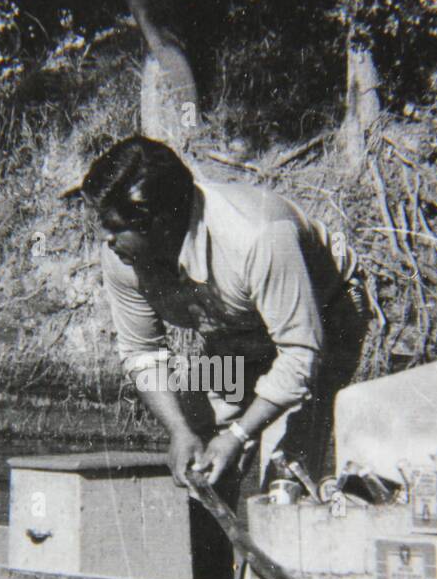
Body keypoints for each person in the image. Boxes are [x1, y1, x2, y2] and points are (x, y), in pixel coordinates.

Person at [77, 135, 373, 493]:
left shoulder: (259, 236)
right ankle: (212, 544)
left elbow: (299, 355)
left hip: (325, 312)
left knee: (286, 473)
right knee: (200, 454)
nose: (105, 239)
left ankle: (285, 515)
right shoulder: (123, 256)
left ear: (159, 223)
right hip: (234, 330)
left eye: (115, 228)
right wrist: (179, 431)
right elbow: (143, 353)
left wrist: (239, 433)